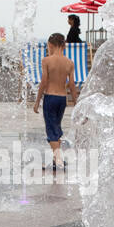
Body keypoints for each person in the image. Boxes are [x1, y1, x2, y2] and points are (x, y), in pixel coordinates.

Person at [33, 32, 78, 170]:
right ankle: (55, 159)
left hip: (50, 97)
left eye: (48, 46)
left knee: (51, 130)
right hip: (62, 99)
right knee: (56, 128)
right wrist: (77, 102)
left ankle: (58, 159)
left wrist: (37, 100)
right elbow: (71, 85)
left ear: (51, 45)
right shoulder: (69, 63)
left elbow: (44, 81)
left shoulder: (47, 60)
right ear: (63, 46)